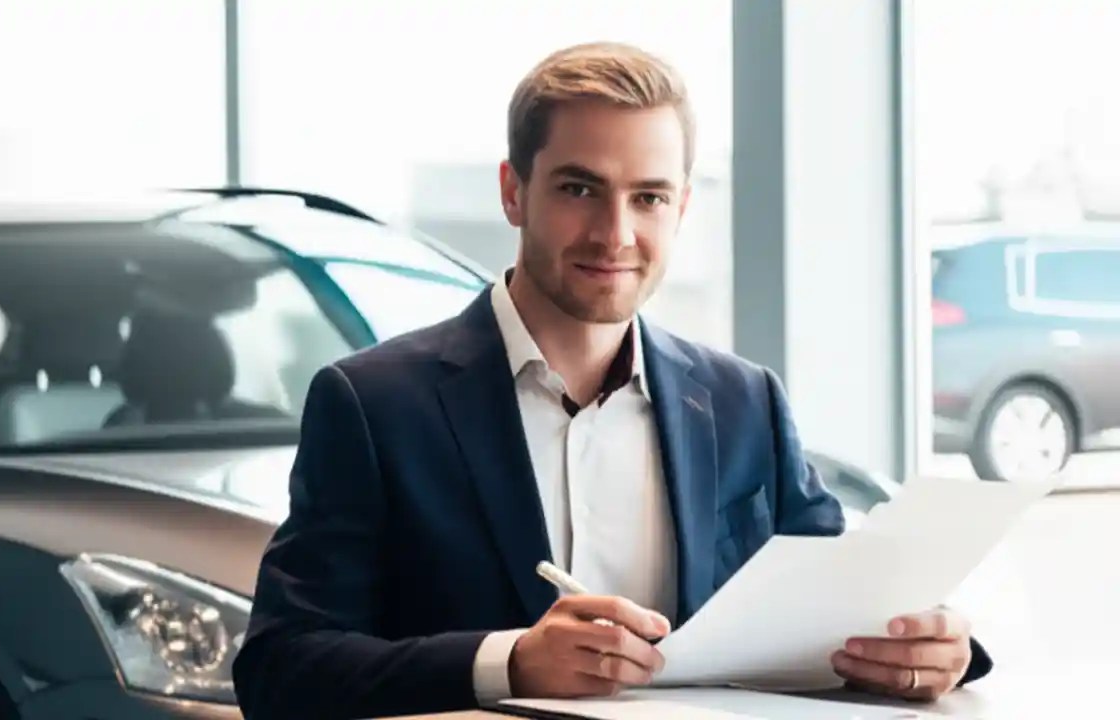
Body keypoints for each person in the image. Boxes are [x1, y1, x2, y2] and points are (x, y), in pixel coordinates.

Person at [231, 41, 992, 720]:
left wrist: (938, 647)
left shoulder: (743, 403)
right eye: (579, 189)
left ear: (682, 206)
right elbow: (280, 670)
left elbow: (848, 602)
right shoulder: (374, 405)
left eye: (649, 197)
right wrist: (509, 662)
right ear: (512, 191)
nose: (616, 234)